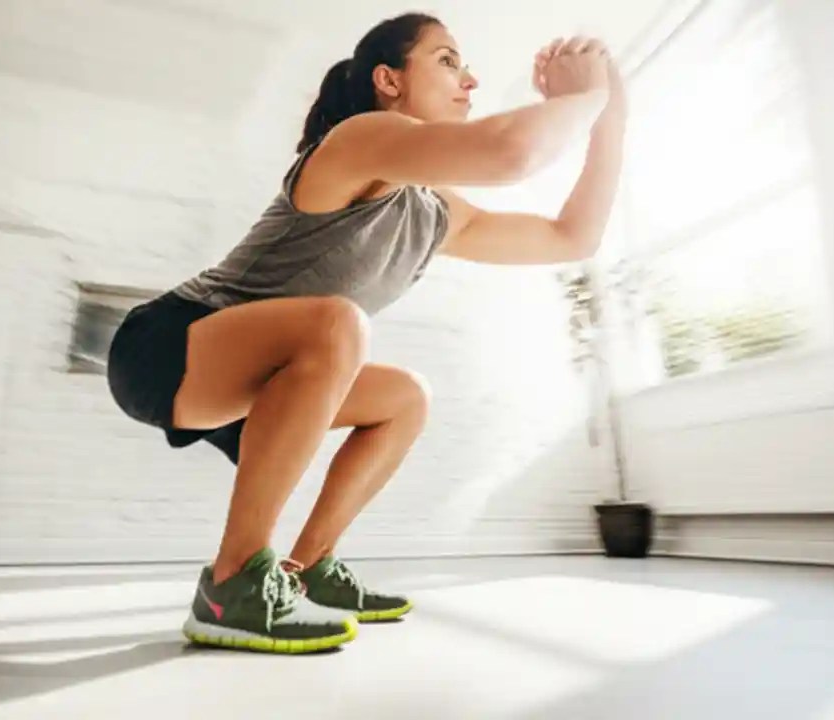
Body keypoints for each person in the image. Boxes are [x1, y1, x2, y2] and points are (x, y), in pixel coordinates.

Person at [106, 12, 626, 653]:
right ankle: (232, 583)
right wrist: (586, 95)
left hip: (255, 376)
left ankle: (306, 571)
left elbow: (571, 237)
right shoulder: (357, 141)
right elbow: (511, 152)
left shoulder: (437, 212)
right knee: (338, 322)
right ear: (389, 79)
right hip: (165, 347)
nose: (470, 78)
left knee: (404, 397)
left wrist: (609, 119)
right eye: (446, 60)